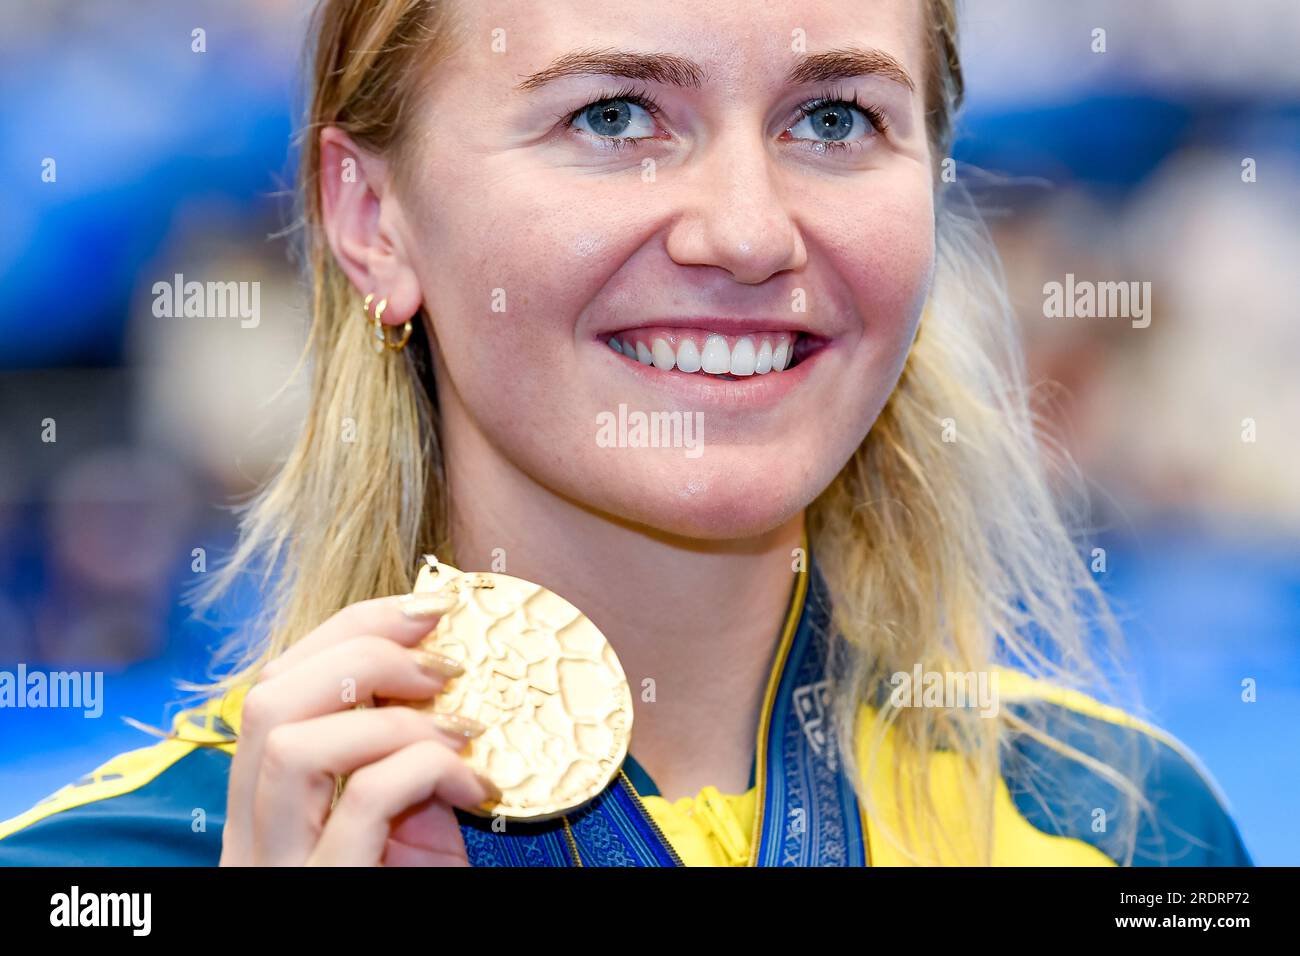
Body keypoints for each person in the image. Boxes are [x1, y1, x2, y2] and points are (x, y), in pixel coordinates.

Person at [0, 0, 1250, 867]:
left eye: (834, 120)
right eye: (612, 115)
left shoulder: (1128, 827)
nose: (748, 232)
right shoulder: (113, 866)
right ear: (373, 215)